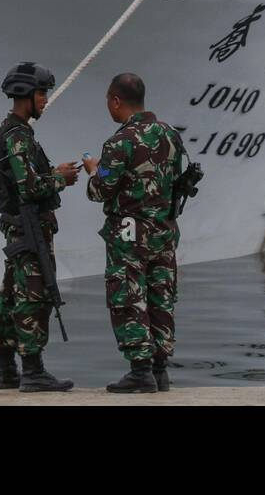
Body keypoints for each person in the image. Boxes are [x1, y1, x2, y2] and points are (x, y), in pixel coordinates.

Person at [83, 73, 184, 393]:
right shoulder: (170, 134)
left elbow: (100, 191)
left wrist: (93, 170)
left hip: (130, 234)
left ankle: (140, 371)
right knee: (161, 295)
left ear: (116, 101)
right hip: (164, 231)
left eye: (108, 102)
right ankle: (160, 369)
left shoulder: (118, 142)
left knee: (129, 296)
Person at [0, 62, 79, 393]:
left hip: (18, 227)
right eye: (42, 93)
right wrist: (61, 179)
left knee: (11, 294)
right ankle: (32, 370)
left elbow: (20, 179)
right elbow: (29, 189)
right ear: (26, 94)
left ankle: (6, 369)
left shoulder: (11, 131)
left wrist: (53, 171)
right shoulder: (19, 136)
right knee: (34, 296)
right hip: (29, 229)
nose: (45, 100)